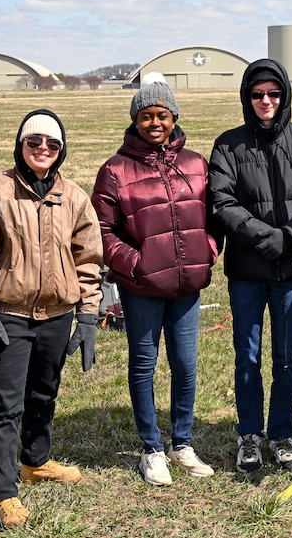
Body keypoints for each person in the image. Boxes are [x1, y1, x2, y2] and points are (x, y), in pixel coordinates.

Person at [0, 109, 103, 529]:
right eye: (33, 141)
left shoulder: (74, 198)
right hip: (9, 315)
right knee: (5, 406)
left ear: (62, 150)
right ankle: (4, 493)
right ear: (20, 145)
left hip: (57, 315)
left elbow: (89, 260)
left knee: (44, 393)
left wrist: (88, 316)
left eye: (52, 144)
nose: (42, 149)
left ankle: (36, 462)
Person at [208, 59, 292, 473]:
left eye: (274, 93)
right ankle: (249, 434)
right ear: (247, 98)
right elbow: (222, 201)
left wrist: (291, 235)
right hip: (247, 272)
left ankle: (282, 435)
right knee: (247, 357)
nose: (266, 101)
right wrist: (263, 236)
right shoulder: (228, 145)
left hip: (290, 272)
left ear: (285, 96)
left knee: (286, 358)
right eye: (257, 94)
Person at [92, 78, 221, 486]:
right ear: (135, 120)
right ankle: (151, 448)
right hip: (142, 288)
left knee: (185, 366)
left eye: (162, 115)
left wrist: (207, 251)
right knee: (144, 365)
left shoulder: (197, 164)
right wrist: (136, 265)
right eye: (146, 116)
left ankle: (182, 443)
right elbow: (102, 231)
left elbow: (215, 217)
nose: (154, 123)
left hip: (187, 287)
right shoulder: (115, 170)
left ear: (174, 118)